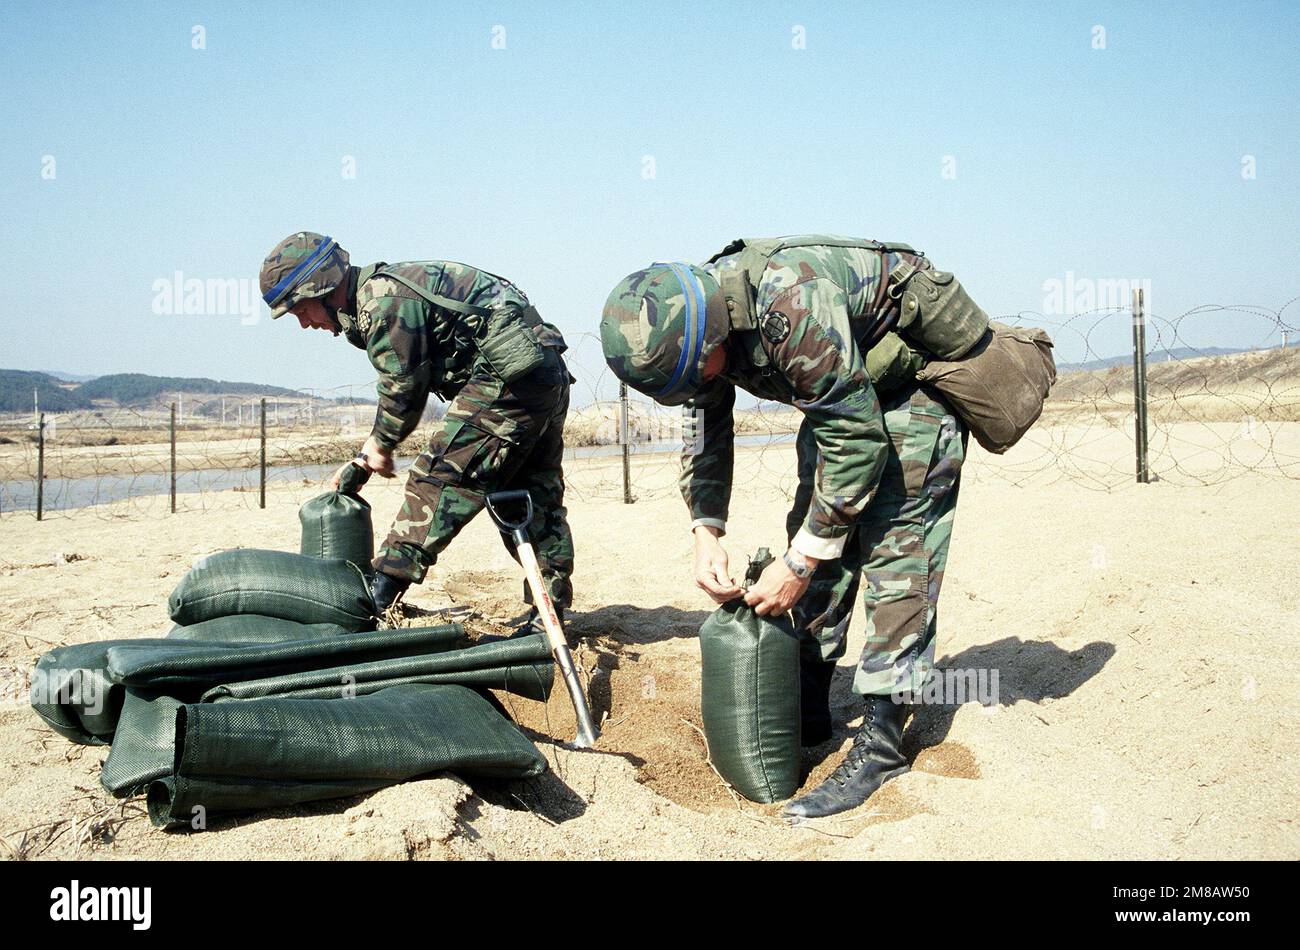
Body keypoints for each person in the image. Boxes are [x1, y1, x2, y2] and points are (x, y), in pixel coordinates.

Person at [599, 235, 989, 818]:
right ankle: (808, 701)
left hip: (906, 392)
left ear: (712, 335)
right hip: (840, 398)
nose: (698, 386)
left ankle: (882, 740)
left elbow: (856, 439)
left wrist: (802, 560)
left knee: (895, 550)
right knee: (812, 526)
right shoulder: (697, 319)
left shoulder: (791, 303)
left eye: (695, 373)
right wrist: (706, 528)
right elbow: (707, 427)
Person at [259, 231, 576, 628]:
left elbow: (404, 388)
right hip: (542, 373)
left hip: (509, 376)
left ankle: (383, 590)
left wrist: (376, 447)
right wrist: (369, 453)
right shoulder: (384, 292)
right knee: (526, 496)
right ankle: (550, 612)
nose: (304, 323)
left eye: (300, 310)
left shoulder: (381, 299)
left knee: (440, 476)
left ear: (321, 287)